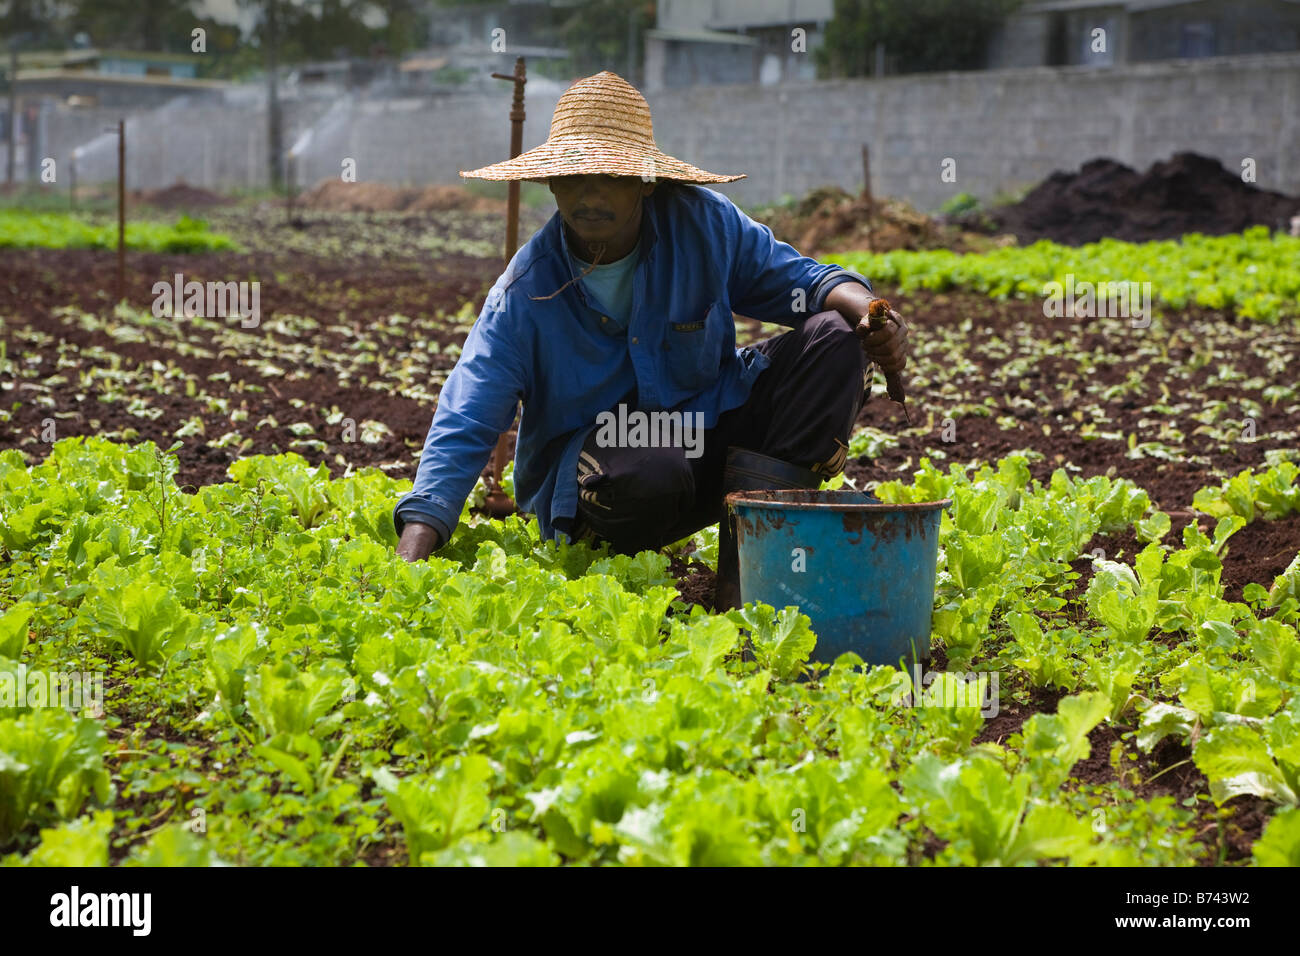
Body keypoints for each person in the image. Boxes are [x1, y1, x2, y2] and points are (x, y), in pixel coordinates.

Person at [394, 71, 909, 610]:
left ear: (645, 180)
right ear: (551, 183)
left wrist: (871, 315)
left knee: (834, 338)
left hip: (706, 436)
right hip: (609, 476)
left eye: (610, 177)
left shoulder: (703, 226)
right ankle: (614, 575)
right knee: (649, 460)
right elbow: (467, 415)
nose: (590, 196)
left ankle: (750, 577)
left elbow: (803, 281)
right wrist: (415, 552)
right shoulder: (526, 293)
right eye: (574, 177)